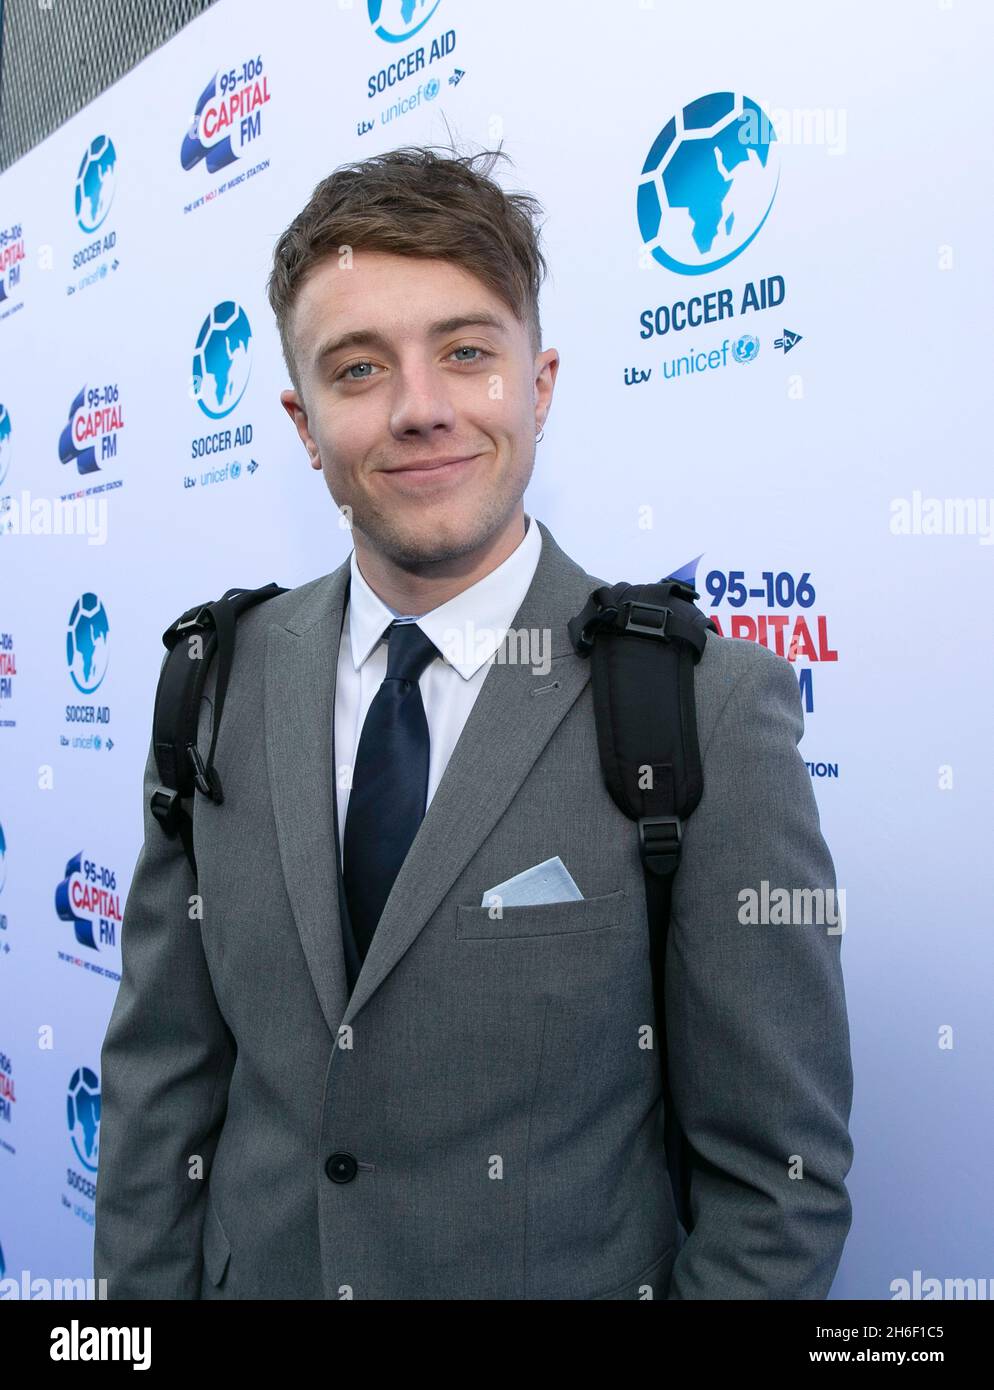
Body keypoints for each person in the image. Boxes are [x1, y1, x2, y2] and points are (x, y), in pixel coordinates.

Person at [93, 143, 854, 1300]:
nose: (420, 409)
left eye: (464, 352)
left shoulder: (704, 704)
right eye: (358, 370)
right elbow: (160, 1096)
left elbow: (775, 1183)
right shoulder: (214, 681)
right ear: (303, 424)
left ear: (537, 385)